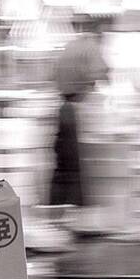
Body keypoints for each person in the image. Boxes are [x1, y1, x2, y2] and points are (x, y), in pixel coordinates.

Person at [49, 15, 107, 210]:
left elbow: (54, 74)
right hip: (78, 110)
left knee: (62, 165)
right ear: (97, 29)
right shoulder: (91, 45)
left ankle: (58, 210)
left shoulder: (69, 46)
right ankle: (78, 212)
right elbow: (101, 73)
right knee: (77, 167)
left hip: (63, 108)